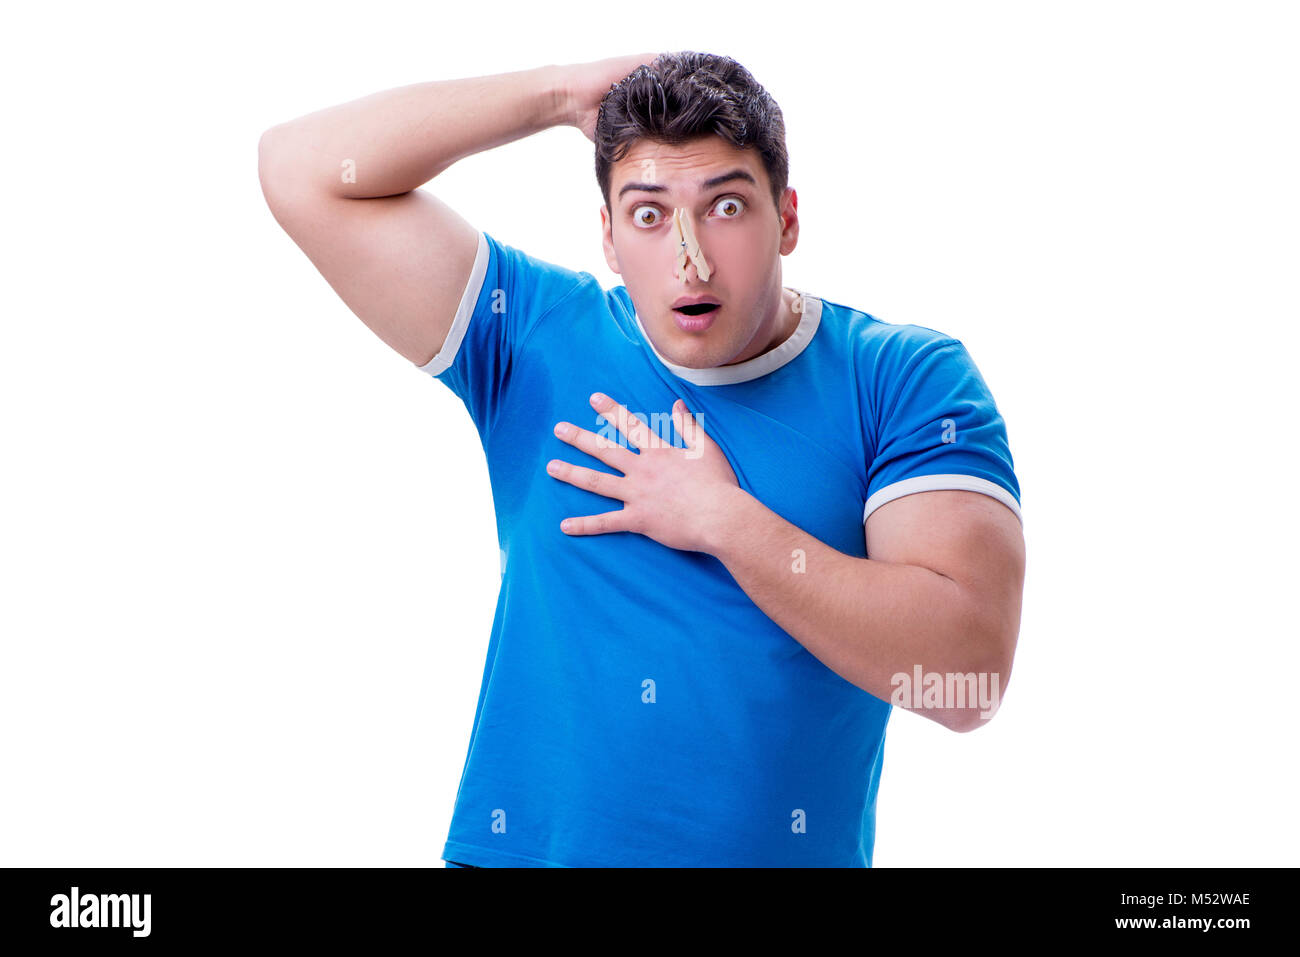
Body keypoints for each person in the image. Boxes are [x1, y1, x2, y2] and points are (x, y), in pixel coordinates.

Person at [258, 52, 1027, 868]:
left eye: (726, 205)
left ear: (788, 219)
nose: (690, 257)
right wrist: (556, 96)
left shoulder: (902, 377)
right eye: (650, 215)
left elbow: (967, 675)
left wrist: (724, 519)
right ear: (610, 239)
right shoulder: (534, 338)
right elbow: (300, 170)